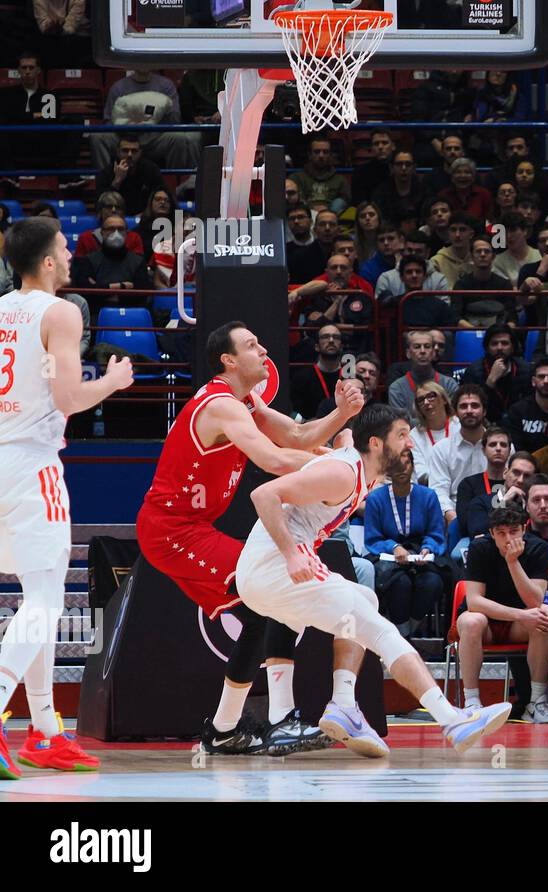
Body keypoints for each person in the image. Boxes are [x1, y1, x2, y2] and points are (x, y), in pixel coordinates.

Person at [136, 321, 366, 755]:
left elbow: (296, 436)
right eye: (251, 344)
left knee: (269, 599)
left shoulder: (246, 401)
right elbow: (275, 459)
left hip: (193, 527)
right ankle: (274, 722)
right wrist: (341, 472)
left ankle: (229, 728)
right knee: (267, 594)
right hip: (171, 530)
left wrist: (341, 418)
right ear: (228, 360)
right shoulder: (222, 406)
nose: (263, 350)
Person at [235, 404, 513, 755]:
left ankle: (344, 703)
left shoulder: (358, 466)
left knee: (365, 601)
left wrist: (343, 420)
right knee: (379, 629)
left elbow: (344, 438)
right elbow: (263, 495)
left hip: (265, 574)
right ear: (377, 443)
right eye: (401, 435)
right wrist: (292, 554)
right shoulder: (343, 473)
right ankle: (451, 719)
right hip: (272, 568)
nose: (409, 443)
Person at [0, 220, 134, 778]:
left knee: (41, 594)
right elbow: (69, 398)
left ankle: (45, 731)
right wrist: (114, 381)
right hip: (31, 463)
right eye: (63, 249)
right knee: (47, 602)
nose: (71, 257)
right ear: (48, 262)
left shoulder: (3, 307)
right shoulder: (62, 312)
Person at [459, 505, 548, 722]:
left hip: (518, 625)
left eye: (513, 532)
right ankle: (472, 702)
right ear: (492, 533)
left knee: (541, 619)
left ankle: (537, 701)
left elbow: (534, 601)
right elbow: (474, 601)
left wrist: (512, 562)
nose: (508, 539)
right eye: (501, 533)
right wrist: (520, 615)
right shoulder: (479, 547)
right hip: (487, 622)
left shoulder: (538, 548)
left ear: (524, 529)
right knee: (470, 621)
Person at [364, 450, 446, 638]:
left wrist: (428, 548)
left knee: (432, 582)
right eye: (396, 466)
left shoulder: (428, 496)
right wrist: (393, 547)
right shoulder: (376, 498)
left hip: (421, 554)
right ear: (388, 470)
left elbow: (435, 532)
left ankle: (409, 630)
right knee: (400, 583)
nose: (402, 469)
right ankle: (403, 635)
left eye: (406, 464)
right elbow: (372, 538)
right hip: (387, 557)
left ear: (413, 466)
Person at [426, 384, 490, 529]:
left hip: (493, 516)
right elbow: (439, 490)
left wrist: (497, 518)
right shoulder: (442, 449)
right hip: (455, 516)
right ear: (455, 412)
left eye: (474, 406)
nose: (469, 411)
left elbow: (503, 486)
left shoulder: (501, 446)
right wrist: (454, 519)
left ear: (484, 411)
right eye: (463, 406)